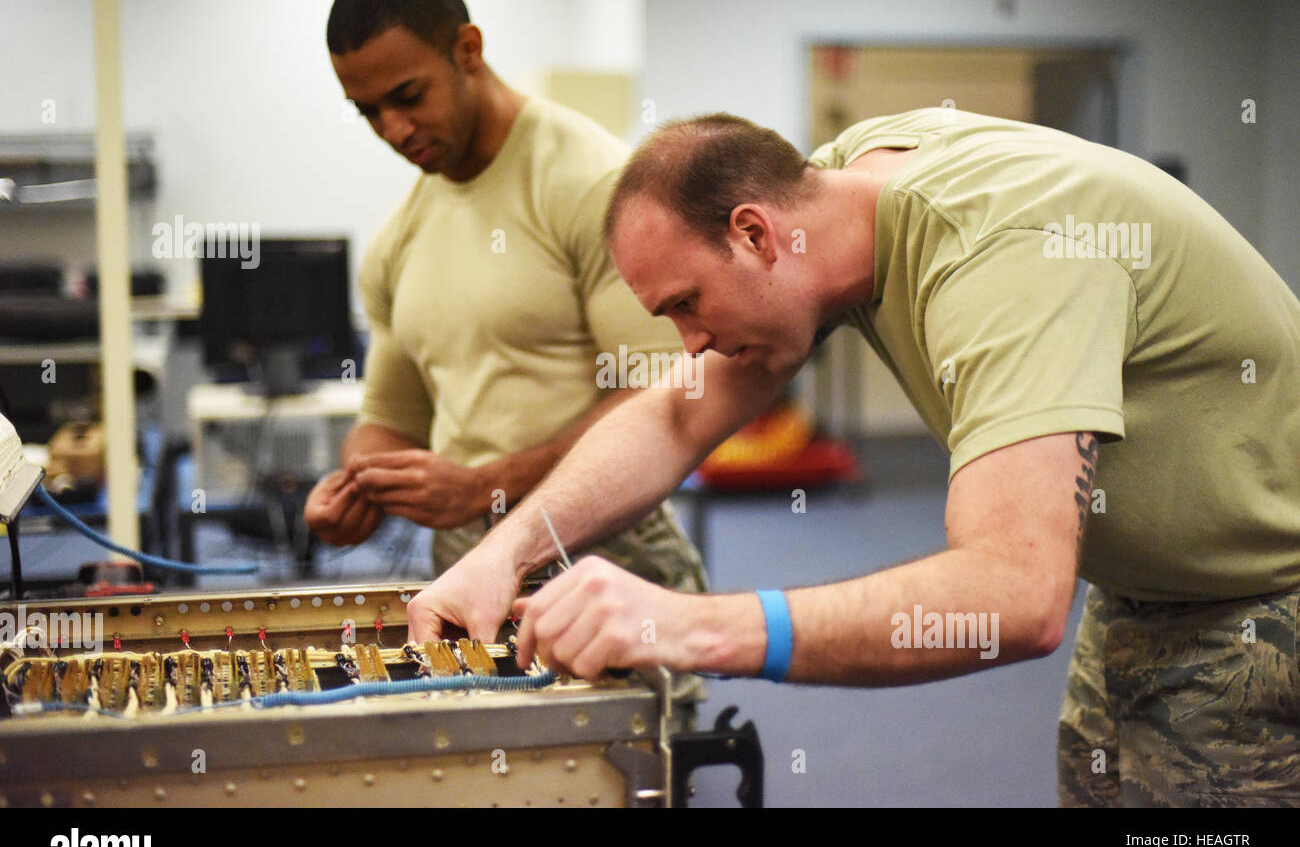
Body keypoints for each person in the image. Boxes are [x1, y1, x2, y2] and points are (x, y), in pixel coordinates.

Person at [409, 107, 1300, 806]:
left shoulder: (1004, 255)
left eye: (687, 303)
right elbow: (676, 420)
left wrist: (688, 624)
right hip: (1147, 587)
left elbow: (1016, 593)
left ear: (755, 234)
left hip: (1260, 597)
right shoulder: (838, 191)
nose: (688, 344)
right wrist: (502, 553)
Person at [304, 0, 706, 607]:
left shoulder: (593, 183)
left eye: (407, 97)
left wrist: (486, 484)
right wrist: (359, 485)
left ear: (468, 49)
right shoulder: (397, 241)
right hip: (467, 575)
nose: (393, 131)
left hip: (607, 566)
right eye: (368, 112)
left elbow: (660, 397)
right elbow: (391, 416)